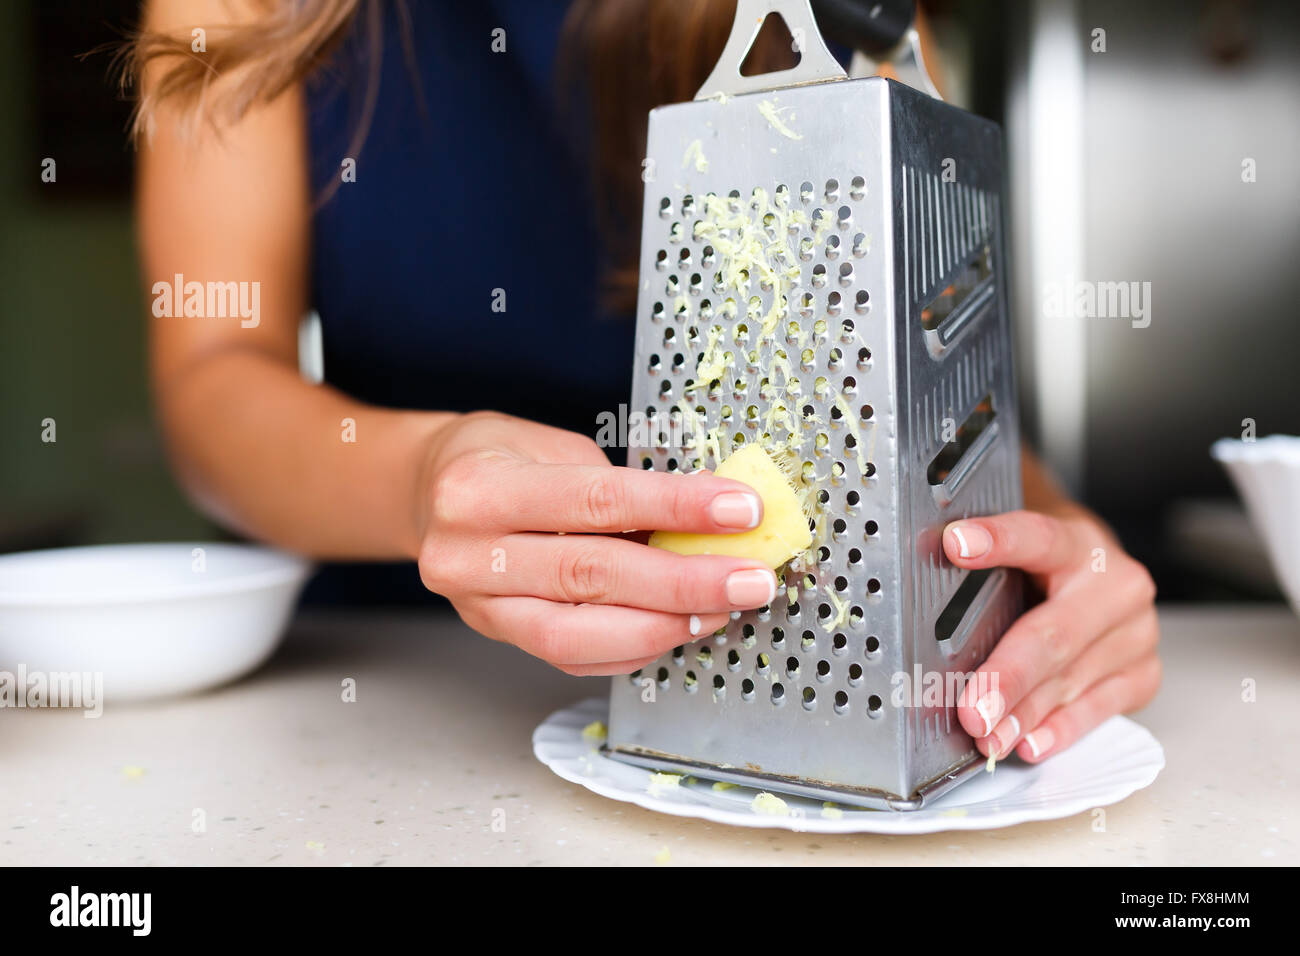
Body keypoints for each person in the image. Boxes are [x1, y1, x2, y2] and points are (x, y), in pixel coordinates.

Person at [128, 0, 1159, 766]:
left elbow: (918, 373)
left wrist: (1064, 551)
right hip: (383, 681)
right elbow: (216, 374)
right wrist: (418, 478)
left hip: (767, 658)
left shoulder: (846, 14)